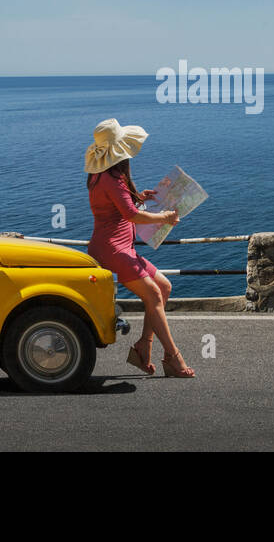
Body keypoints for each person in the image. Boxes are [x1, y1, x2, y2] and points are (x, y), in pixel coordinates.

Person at [85, 119, 195, 379]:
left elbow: (119, 207)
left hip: (119, 248)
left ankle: (143, 347)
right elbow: (132, 215)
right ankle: (172, 356)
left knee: (164, 288)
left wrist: (138, 196)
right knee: (154, 295)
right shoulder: (112, 178)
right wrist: (165, 217)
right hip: (113, 250)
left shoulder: (101, 175)